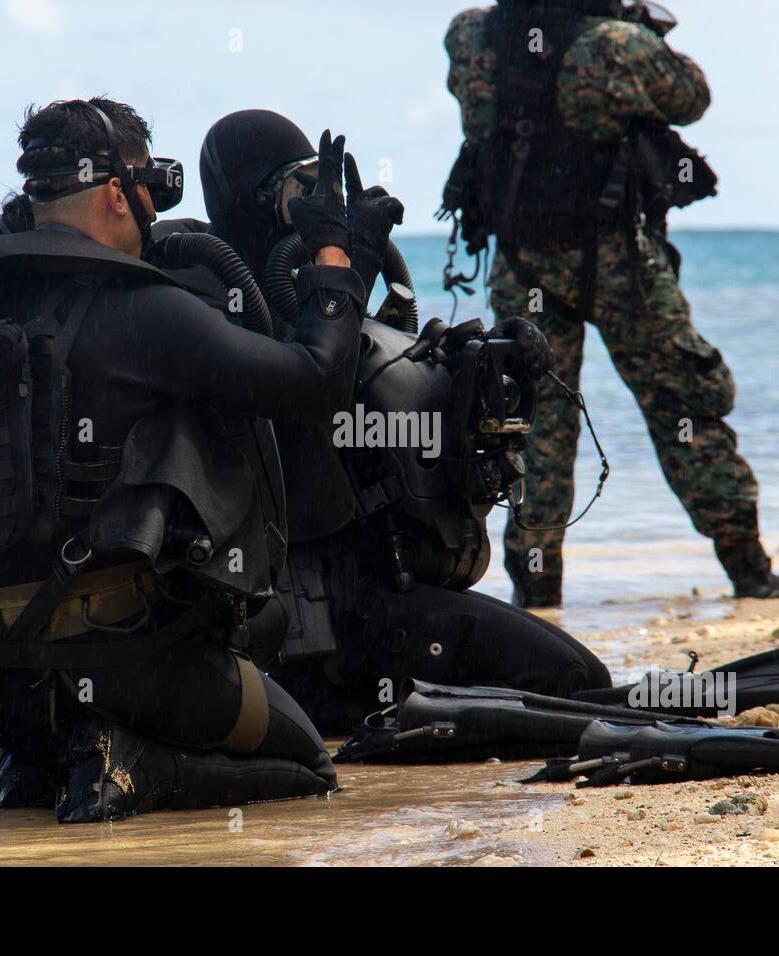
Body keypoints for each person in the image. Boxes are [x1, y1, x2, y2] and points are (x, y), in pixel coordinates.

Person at [0, 97, 373, 822]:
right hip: (128, 666)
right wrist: (332, 251)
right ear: (118, 192)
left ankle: (48, 765)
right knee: (309, 765)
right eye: (151, 187)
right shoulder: (145, 310)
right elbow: (316, 384)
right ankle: (141, 768)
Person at [156, 110, 612, 733]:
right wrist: (349, 269)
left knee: (582, 680)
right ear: (253, 199)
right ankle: (359, 718)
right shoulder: (205, 294)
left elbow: (382, 381)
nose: (312, 207)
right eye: (297, 191)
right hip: (310, 622)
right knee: (573, 684)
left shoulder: (309, 285)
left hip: (368, 594)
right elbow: (308, 398)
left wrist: (485, 367)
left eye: (320, 187)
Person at [441, 0, 779, 606]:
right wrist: (640, 29)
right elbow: (692, 96)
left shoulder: (472, 35)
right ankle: (749, 569)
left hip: (521, 262)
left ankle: (536, 593)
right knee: (681, 403)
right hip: (618, 263)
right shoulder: (614, 44)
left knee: (531, 427)